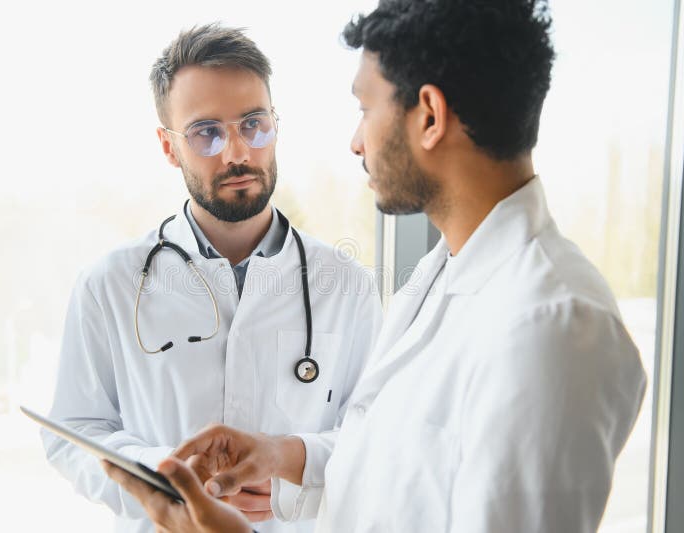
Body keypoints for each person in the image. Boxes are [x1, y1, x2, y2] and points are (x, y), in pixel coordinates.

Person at [101, 1, 648, 532]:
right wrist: (283, 454)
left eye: (365, 109)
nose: (356, 140)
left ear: (429, 116)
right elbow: (393, 464)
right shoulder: (444, 277)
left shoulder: (550, 327)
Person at [42, 24, 382, 533]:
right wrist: (168, 477)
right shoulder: (109, 285)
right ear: (168, 146)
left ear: (275, 124)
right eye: (206, 133)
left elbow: (376, 434)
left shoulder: (347, 285)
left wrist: (292, 472)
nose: (237, 153)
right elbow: (73, 431)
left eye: (253, 124)